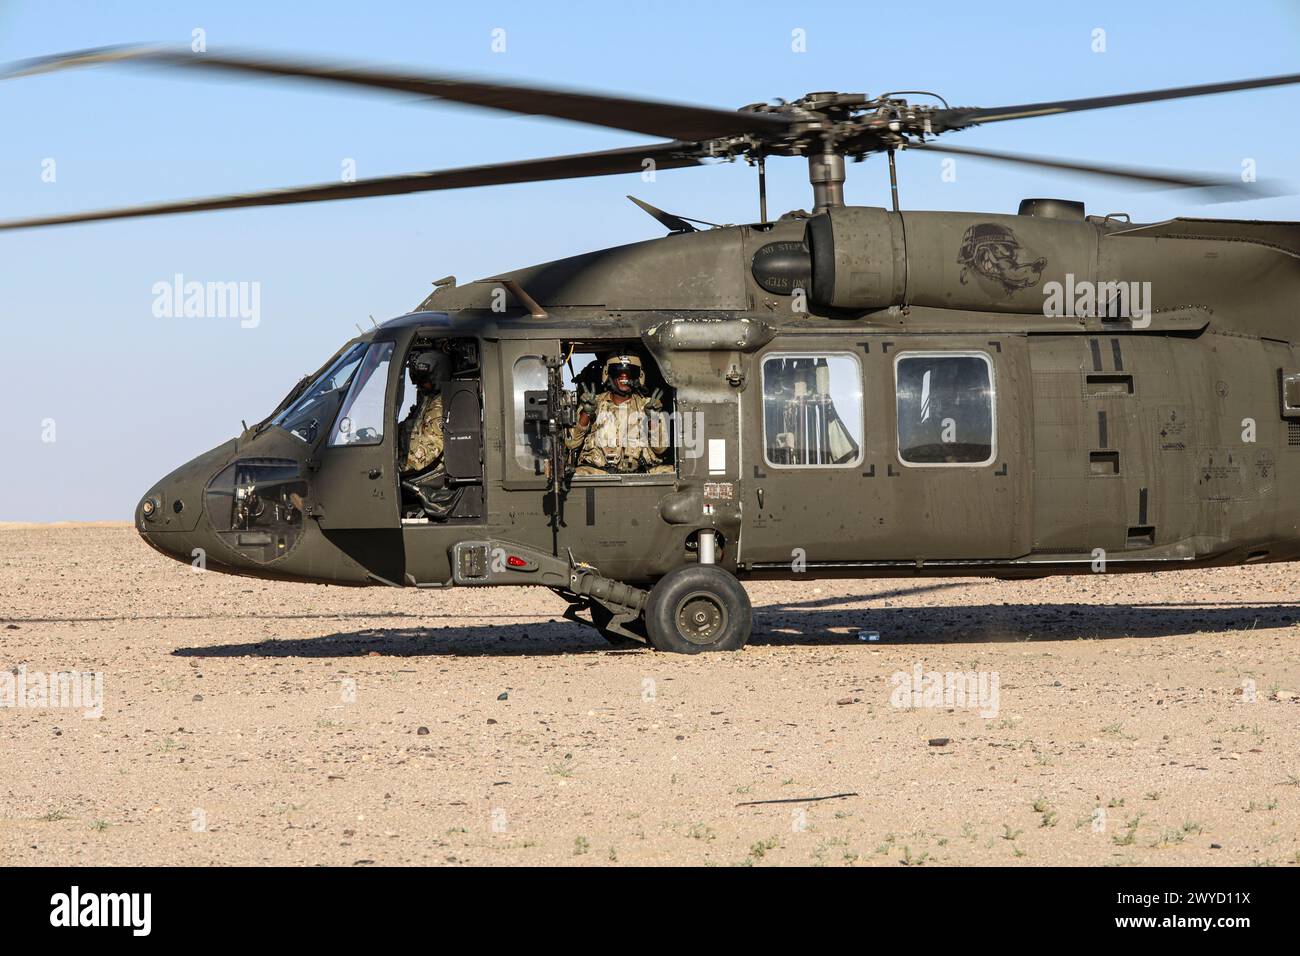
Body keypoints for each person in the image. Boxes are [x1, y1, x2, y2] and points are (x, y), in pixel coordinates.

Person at [565, 353, 672, 476]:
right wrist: (586, 413)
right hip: (597, 474)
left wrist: (652, 417)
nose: (624, 376)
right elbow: (571, 443)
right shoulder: (593, 403)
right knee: (577, 475)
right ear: (607, 375)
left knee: (669, 472)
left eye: (630, 372)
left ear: (639, 377)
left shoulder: (648, 406)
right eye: (617, 372)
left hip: (640, 475)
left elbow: (660, 448)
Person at [398, 350, 449, 477]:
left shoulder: (439, 406)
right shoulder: (427, 399)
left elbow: (426, 453)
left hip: (427, 473)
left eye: (423, 380)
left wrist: (397, 466)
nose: (419, 385)